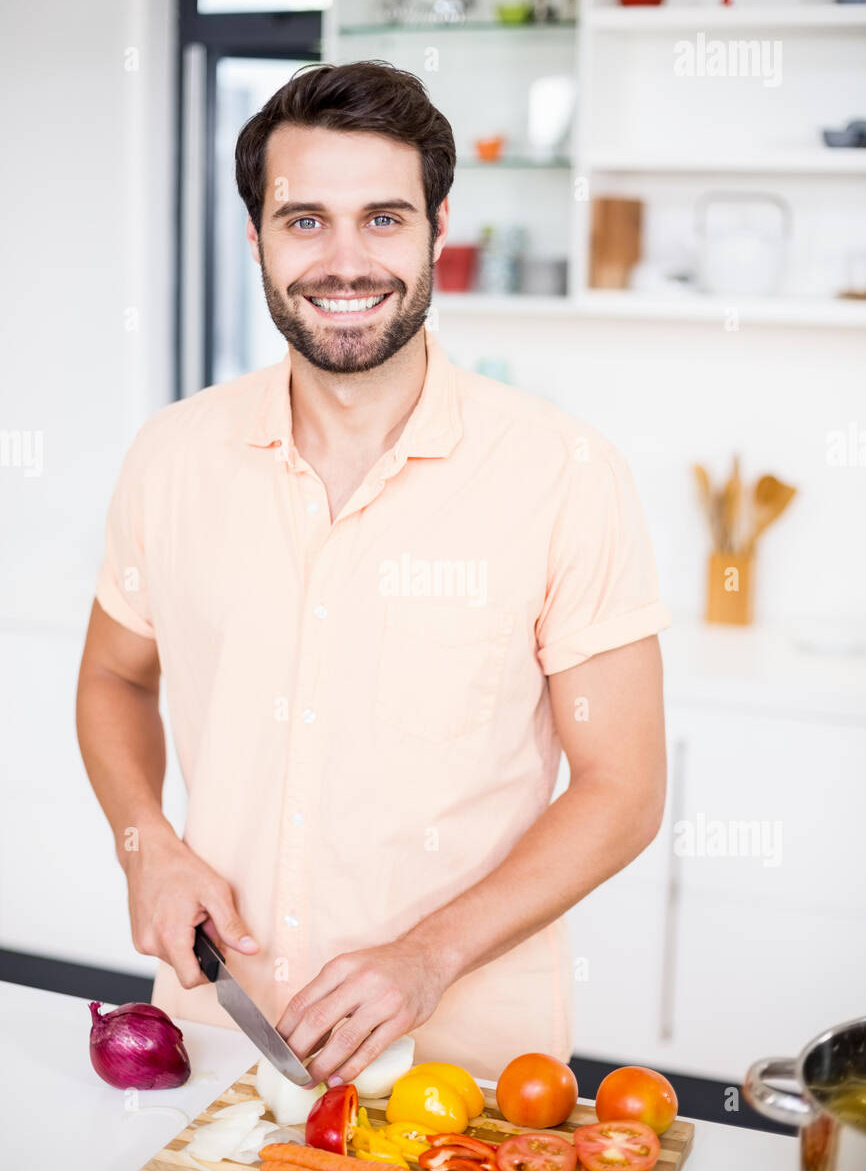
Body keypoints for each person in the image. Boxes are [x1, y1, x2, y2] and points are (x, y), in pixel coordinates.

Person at [76, 60, 670, 1087]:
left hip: (469, 1078)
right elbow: (114, 677)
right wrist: (148, 844)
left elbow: (621, 787)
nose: (344, 262)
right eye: (304, 220)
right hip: (221, 1043)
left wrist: (428, 954)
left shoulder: (563, 475)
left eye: (382, 219)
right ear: (256, 236)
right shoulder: (170, 457)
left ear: (439, 229)